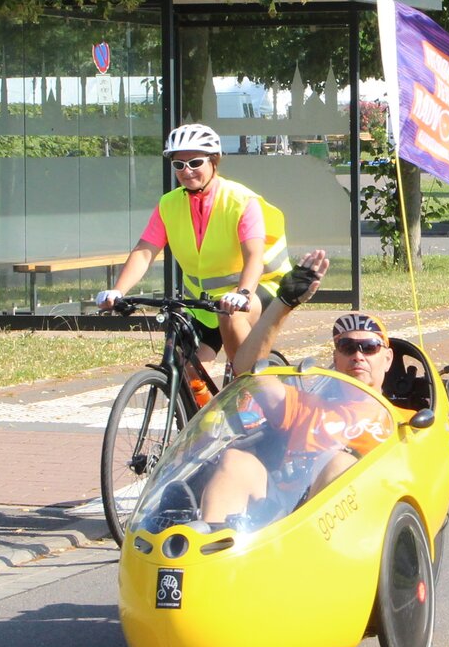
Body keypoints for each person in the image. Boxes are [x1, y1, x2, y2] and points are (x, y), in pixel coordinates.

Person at [196, 251, 400, 527]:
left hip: (350, 523)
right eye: (347, 347)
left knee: (341, 465)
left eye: (370, 347)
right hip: (283, 514)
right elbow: (247, 370)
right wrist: (283, 304)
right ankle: (212, 553)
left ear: (387, 359)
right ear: (336, 357)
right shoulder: (307, 407)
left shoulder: (400, 419)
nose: (358, 355)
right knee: (235, 461)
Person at [96, 123, 290, 370]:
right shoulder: (169, 204)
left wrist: (242, 294)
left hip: (257, 289)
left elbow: (254, 257)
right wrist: (118, 290)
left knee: (235, 334)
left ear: (214, 162)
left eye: (195, 163)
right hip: (205, 301)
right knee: (186, 370)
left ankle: (252, 396)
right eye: (179, 164)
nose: (187, 171)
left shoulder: (240, 201)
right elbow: (145, 251)